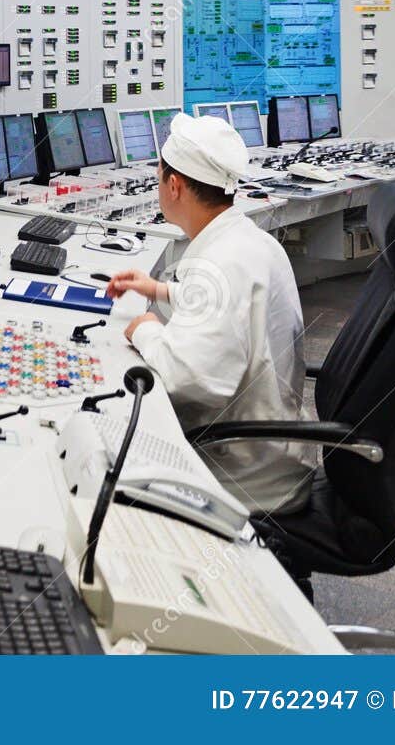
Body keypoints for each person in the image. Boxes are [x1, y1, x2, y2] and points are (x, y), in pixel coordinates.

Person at [105, 112, 315, 514]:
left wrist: (146, 328)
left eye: (159, 174)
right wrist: (162, 290)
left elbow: (184, 378)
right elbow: (227, 307)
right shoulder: (247, 240)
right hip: (270, 446)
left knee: (106, 463)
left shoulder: (219, 264)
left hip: (246, 473)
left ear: (175, 185)